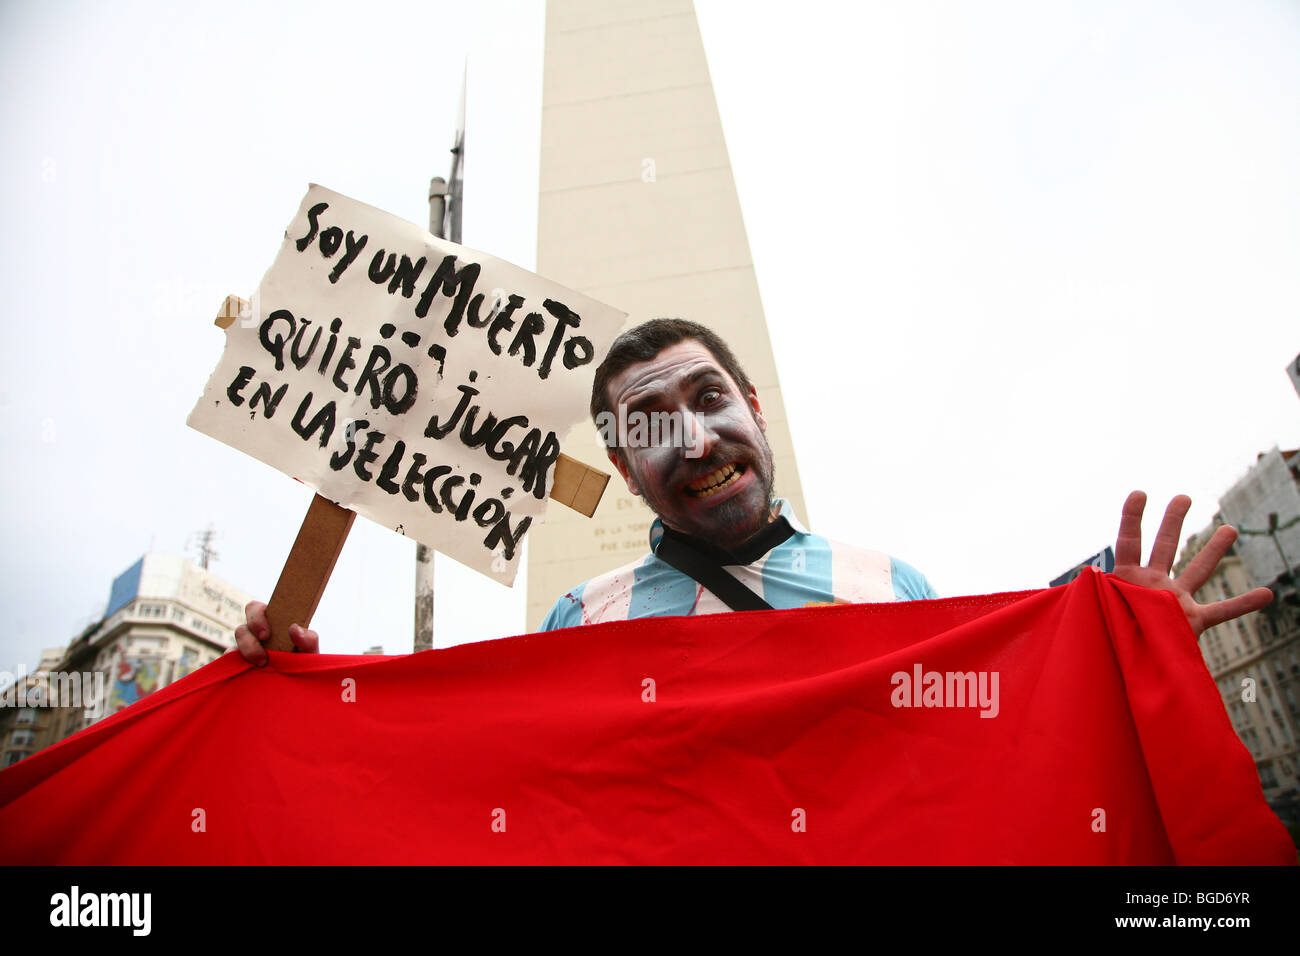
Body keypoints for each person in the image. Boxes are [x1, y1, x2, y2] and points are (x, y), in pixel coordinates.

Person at [235, 319, 1272, 662]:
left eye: (709, 397)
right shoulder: (576, 623)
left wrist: (1123, 659)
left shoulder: (897, 586)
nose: (691, 437)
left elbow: (1002, 760)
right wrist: (304, 691)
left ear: (755, 409)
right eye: (648, 423)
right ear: (625, 463)